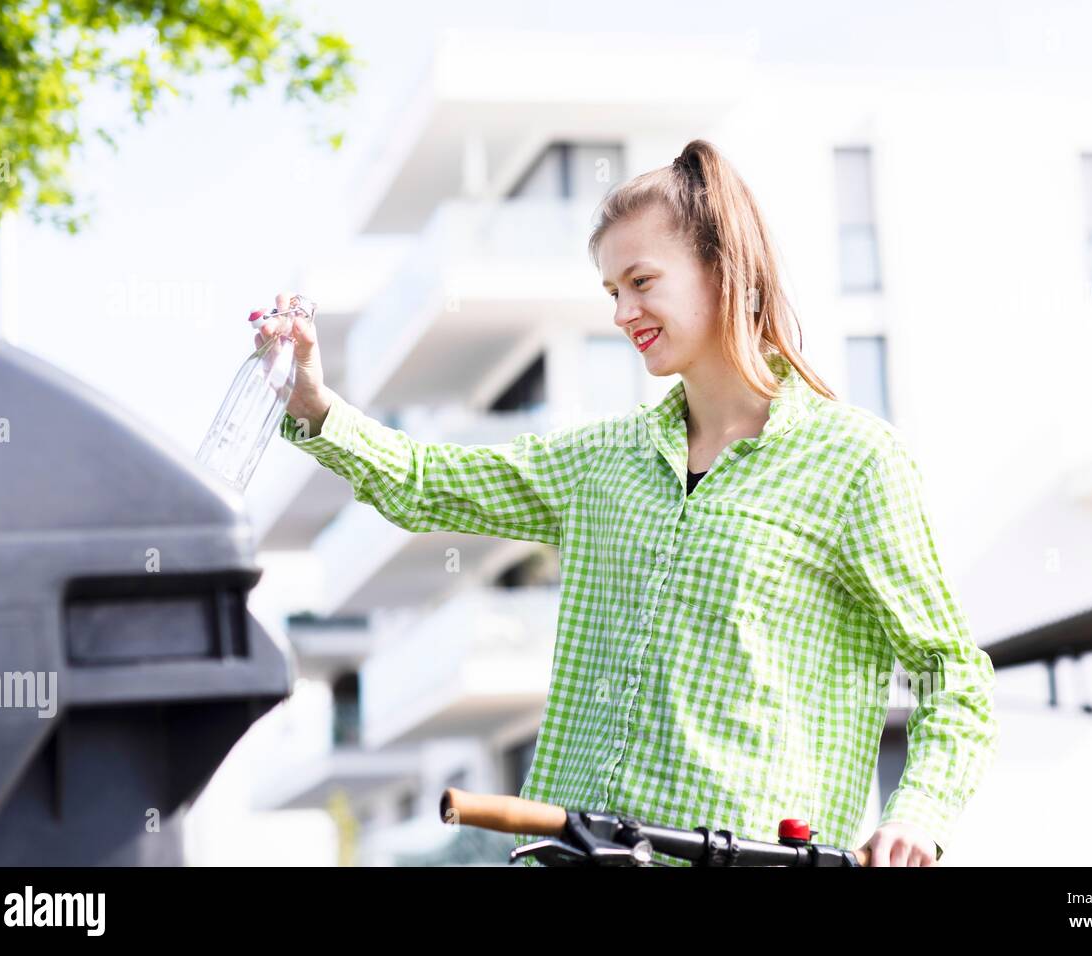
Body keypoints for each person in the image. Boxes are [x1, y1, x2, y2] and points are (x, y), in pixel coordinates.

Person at [257, 139, 999, 867]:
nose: (622, 313)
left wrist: (919, 816)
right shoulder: (605, 463)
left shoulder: (856, 462)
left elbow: (951, 675)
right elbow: (425, 481)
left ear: (723, 271)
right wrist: (316, 404)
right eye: (613, 292)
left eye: (642, 282)